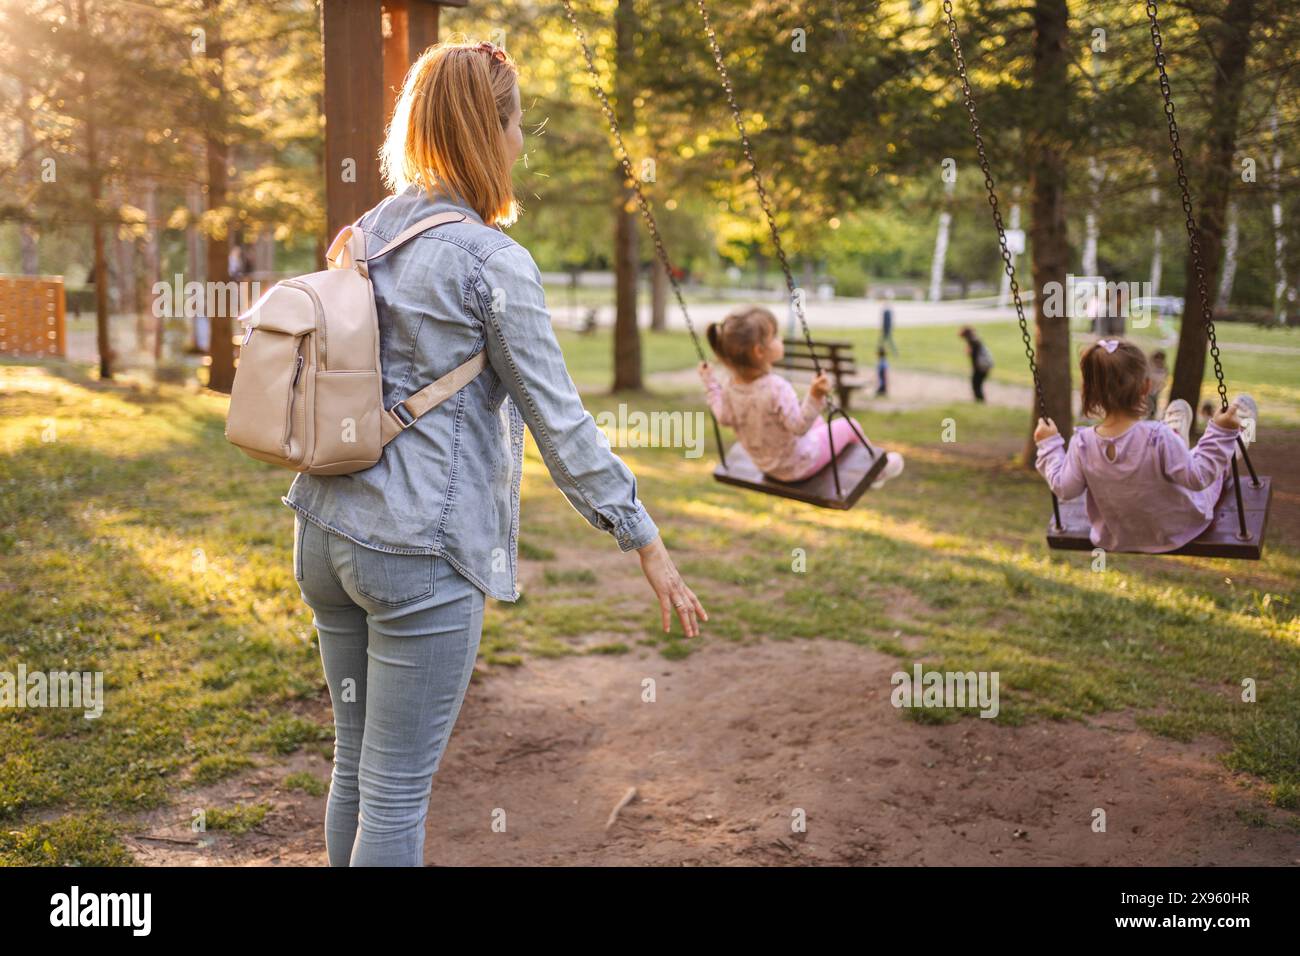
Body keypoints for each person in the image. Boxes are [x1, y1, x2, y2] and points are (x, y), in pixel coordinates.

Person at [283, 40, 706, 867]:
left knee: (357, 774)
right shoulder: (491, 261)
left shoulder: (364, 232)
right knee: (397, 793)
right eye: (516, 125)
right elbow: (562, 421)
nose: (521, 143)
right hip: (416, 549)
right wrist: (643, 538)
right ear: (489, 131)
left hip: (325, 528)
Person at [1033, 338, 1256, 553]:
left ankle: (1179, 435)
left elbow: (1065, 488)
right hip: (1177, 529)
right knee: (1209, 467)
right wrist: (1221, 431)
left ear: (1090, 392)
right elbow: (1197, 478)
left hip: (1119, 536)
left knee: (1173, 452)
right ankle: (1233, 443)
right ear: (1146, 387)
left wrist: (1048, 444)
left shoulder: (1082, 444)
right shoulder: (1157, 437)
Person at [698, 306, 904, 485]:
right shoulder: (776, 387)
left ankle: (842, 453)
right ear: (759, 351)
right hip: (799, 466)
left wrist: (710, 384)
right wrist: (814, 396)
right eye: (775, 336)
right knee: (850, 426)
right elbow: (798, 427)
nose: (780, 339)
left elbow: (723, 417)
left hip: (766, 465)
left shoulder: (730, 388)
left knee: (819, 425)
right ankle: (877, 470)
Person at [959, 326, 993, 402]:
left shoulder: (973, 342)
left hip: (981, 367)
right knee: (977, 384)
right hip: (984, 365)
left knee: (976, 384)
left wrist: (975, 368)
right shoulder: (975, 340)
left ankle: (979, 400)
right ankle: (979, 400)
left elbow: (974, 357)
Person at [1146, 349, 1167, 418]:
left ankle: (1151, 416)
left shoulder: (1164, 368)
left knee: (1154, 403)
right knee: (1148, 402)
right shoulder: (1150, 367)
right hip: (1148, 389)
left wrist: (1159, 387)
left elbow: (1163, 380)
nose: (1159, 361)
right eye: (1157, 359)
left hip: (1156, 390)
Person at [879, 290, 898, 356]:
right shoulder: (887, 306)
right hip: (886, 326)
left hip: (887, 326)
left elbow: (888, 319)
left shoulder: (888, 307)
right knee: (884, 340)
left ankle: (894, 352)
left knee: (887, 340)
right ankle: (880, 352)